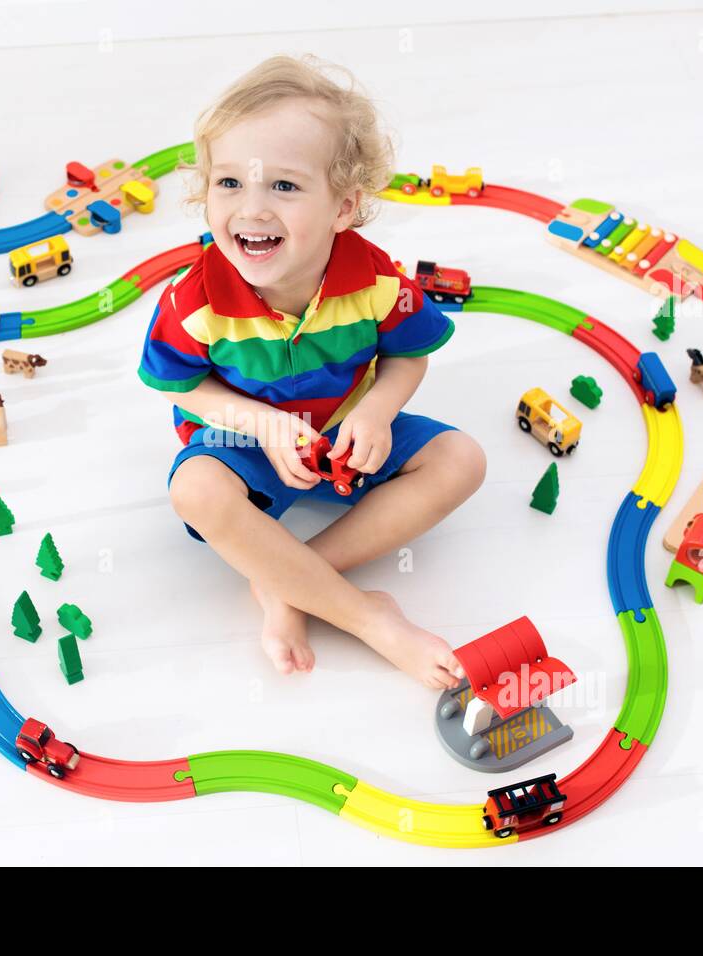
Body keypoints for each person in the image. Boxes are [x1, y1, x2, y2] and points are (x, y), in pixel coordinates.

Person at [137, 55, 486, 688]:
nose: (252, 209)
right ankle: (367, 617)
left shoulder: (377, 278)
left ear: (343, 207)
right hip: (242, 442)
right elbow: (182, 383)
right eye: (230, 184)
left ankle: (288, 582)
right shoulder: (194, 299)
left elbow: (411, 352)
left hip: (347, 436)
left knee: (462, 460)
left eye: (284, 186)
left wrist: (378, 410)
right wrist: (262, 425)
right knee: (194, 491)